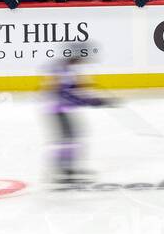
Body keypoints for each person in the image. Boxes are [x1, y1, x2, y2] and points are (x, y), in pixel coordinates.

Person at [45, 46, 113, 186]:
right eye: (81, 58)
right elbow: (65, 94)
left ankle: (66, 170)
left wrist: (97, 99)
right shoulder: (64, 71)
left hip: (61, 109)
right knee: (68, 141)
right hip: (58, 110)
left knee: (70, 139)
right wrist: (93, 101)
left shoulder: (68, 70)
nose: (82, 61)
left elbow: (75, 90)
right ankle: (63, 172)